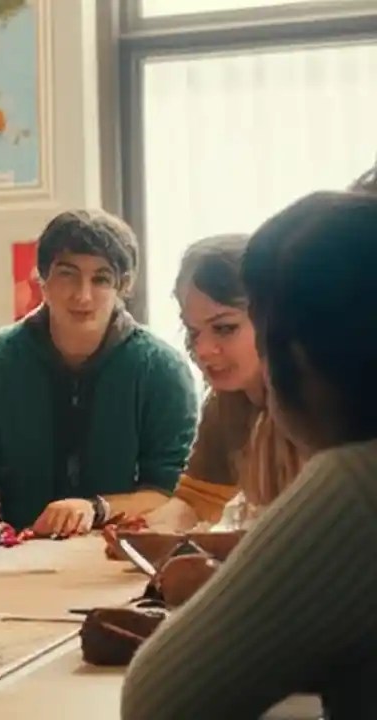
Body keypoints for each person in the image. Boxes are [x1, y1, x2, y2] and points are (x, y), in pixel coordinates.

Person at [122, 190, 377, 718]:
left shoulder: (357, 481)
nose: (207, 351)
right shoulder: (229, 408)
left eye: (241, 328)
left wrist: (218, 584)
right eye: (195, 334)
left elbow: (160, 699)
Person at [0, 210, 198, 542]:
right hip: (13, 552)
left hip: (117, 555)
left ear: (123, 286)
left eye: (101, 279)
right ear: (42, 278)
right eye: (68, 275)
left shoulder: (163, 370)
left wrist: (96, 508)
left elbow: (170, 490)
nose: (82, 295)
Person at [134, 235, 305, 534]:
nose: (202, 350)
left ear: (273, 318)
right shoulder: (225, 403)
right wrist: (148, 534)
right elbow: (194, 501)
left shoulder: (318, 402)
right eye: (193, 332)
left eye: (224, 328)